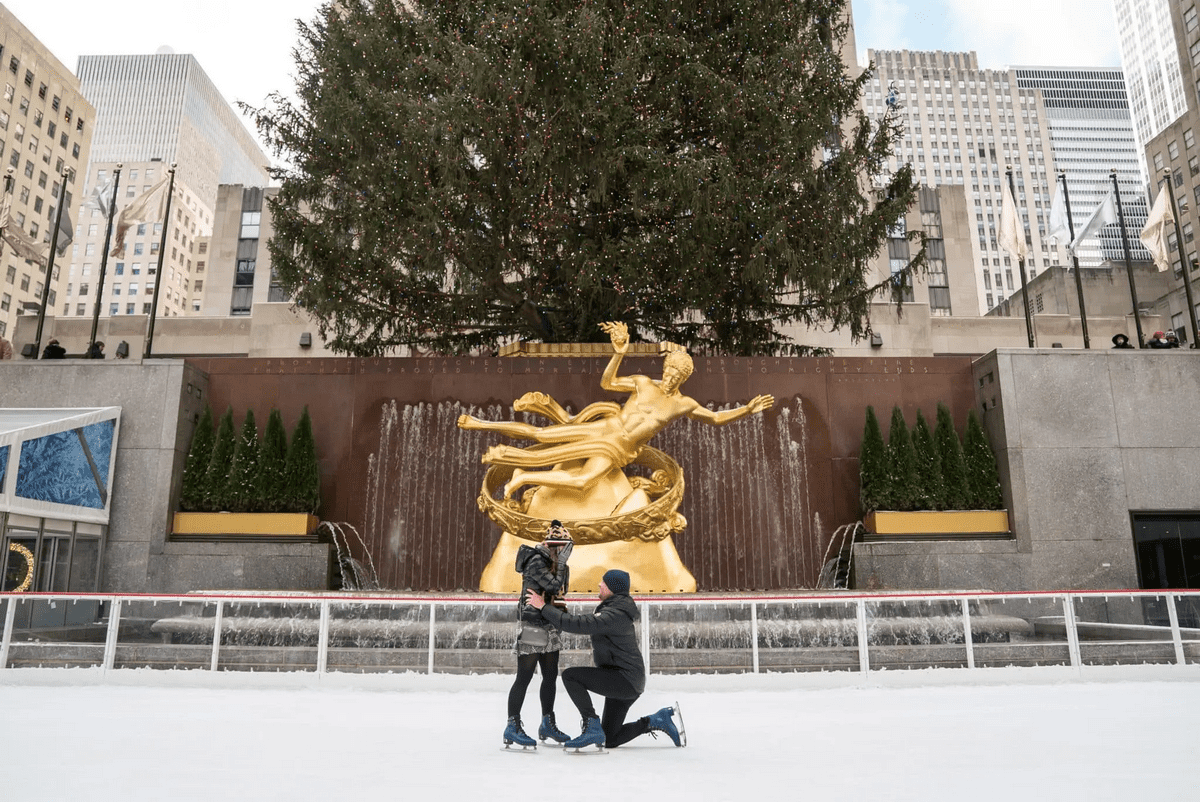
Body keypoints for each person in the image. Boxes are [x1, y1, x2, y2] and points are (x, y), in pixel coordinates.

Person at [459, 321, 773, 500]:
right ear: (664, 368)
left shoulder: (683, 404)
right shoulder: (641, 382)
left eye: (677, 376)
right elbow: (608, 382)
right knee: (544, 434)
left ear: (683, 379)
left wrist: (747, 409)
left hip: (621, 449)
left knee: (584, 482)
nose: (670, 378)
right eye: (668, 371)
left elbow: (715, 418)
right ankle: (479, 423)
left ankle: (523, 476)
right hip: (607, 428)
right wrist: (618, 353)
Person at [526, 568, 683, 751]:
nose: (599, 585)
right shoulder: (615, 609)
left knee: (571, 676)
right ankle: (656, 720)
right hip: (626, 679)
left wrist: (543, 607)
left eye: (604, 583)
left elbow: (576, 623)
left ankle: (591, 725)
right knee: (610, 738)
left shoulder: (614, 615)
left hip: (625, 679)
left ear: (612, 589)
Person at [503, 520, 574, 750]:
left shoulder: (555, 563)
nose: (565, 552)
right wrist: (562, 564)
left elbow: (560, 591)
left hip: (550, 624)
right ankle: (512, 726)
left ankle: (547, 723)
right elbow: (553, 586)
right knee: (524, 678)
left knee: (550, 676)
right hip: (534, 625)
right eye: (561, 548)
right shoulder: (536, 561)